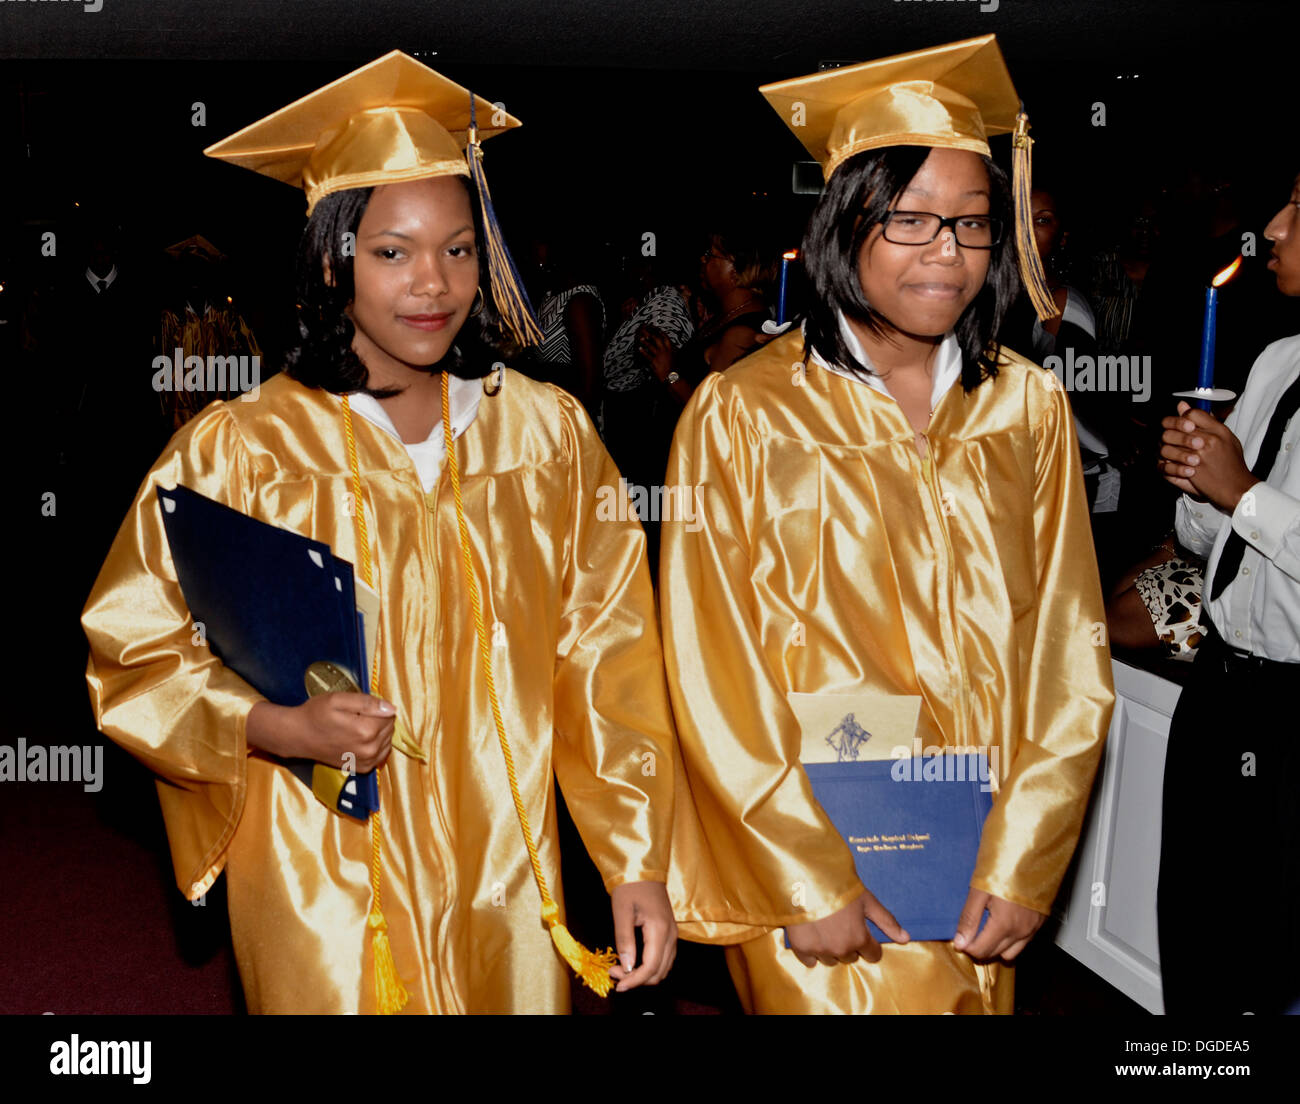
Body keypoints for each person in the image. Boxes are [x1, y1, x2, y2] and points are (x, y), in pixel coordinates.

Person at [81, 52, 680, 1014]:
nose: (433, 284)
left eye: (458, 248)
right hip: (324, 874)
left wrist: (635, 855)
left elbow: (608, 656)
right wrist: (275, 727)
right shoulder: (242, 451)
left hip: (508, 870)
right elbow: (133, 656)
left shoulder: (544, 435)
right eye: (392, 251)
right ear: (331, 260)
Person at [660, 35, 1114, 1014]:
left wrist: (1029, 854)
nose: (946, 254)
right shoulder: (744, 412)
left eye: (972, 224)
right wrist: (800, 868)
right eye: (908, 220)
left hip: (985, 853)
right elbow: (710, 667)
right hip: (825, 859)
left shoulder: (1024, 407)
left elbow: (1066, 647)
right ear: (844, 226)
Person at [1155, 169, 1300, 1015]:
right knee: (1199, 925)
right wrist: (1198, 483)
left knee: (1280, 956)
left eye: (1298, 210)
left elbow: (1253, 503)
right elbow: (1207, 538)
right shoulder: (1281, 359)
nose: (1272, 229)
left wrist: (1240, 490)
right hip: (1222, 688)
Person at [639, 223, 775, 406]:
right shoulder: (727, 316)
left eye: (710, 255)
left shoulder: (741, 335)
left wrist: (669, 374)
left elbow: (712, 414)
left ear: (735, 270)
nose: (703, 260)